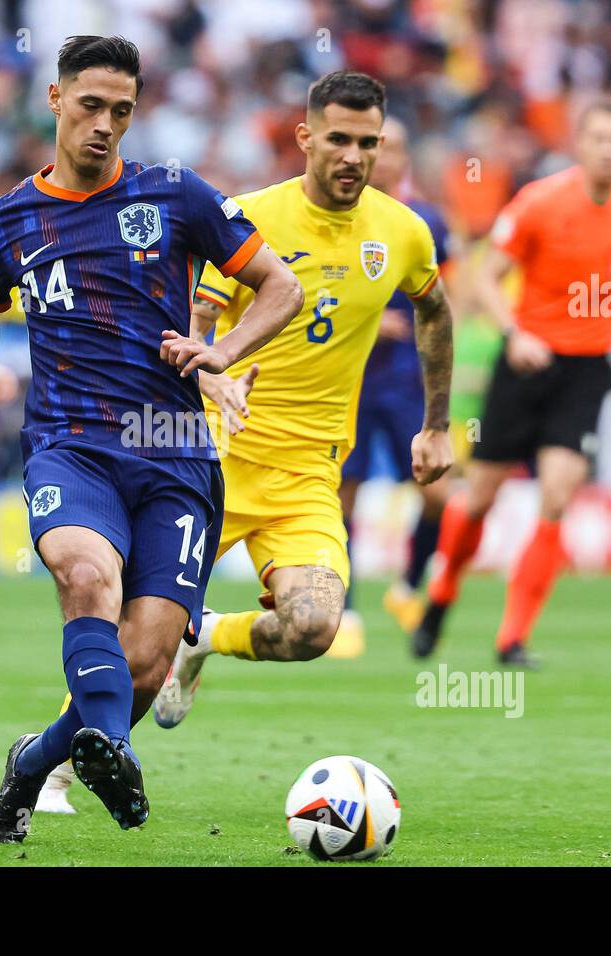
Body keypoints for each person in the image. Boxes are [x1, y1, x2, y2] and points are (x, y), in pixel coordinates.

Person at [0, 35, 303, 842]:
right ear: (55, 100)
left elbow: (281, 287)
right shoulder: (2, 223)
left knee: (146, 667)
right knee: (86, 576)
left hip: (175, 452)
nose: (105, 125)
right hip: (72, 446)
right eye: (90, 105)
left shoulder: (177, 196)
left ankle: (32, 763)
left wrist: (223, 352)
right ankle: (113, 755)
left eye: (122, 111)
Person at [142, 70, 453, 731]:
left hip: (309, 474)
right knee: (140, 633)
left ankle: (208, 638)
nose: (353, 157)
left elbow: (435, 312)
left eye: (368, 142)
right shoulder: (249, 218)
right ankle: (43, 777)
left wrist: (436, 426)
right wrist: (209, 376)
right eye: (338, 139)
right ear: (305, 136)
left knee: (314, 627)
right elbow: (192, 330)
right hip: (213, 461)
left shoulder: (403, 232)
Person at [414, 98, 611, 668]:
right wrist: (515, 333)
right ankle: (441, 596)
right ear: (580, 144)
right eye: (599, 138)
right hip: (526, 363)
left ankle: (512, 638)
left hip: (586, 370)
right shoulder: (539, 203)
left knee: (556, 496)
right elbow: (485, 277)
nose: (608, 149)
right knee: (479, 498)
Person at [337, 115, 454, 641]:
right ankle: (346, 610)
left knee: (437, 494)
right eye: (378, 147)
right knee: (344, 496)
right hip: (349, 380)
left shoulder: (425, 222)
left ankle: (407, 584)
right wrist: (360, 318)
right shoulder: (335, 218)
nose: (386, 157)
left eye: (395, 148)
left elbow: (442, 299)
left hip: (407, 380)